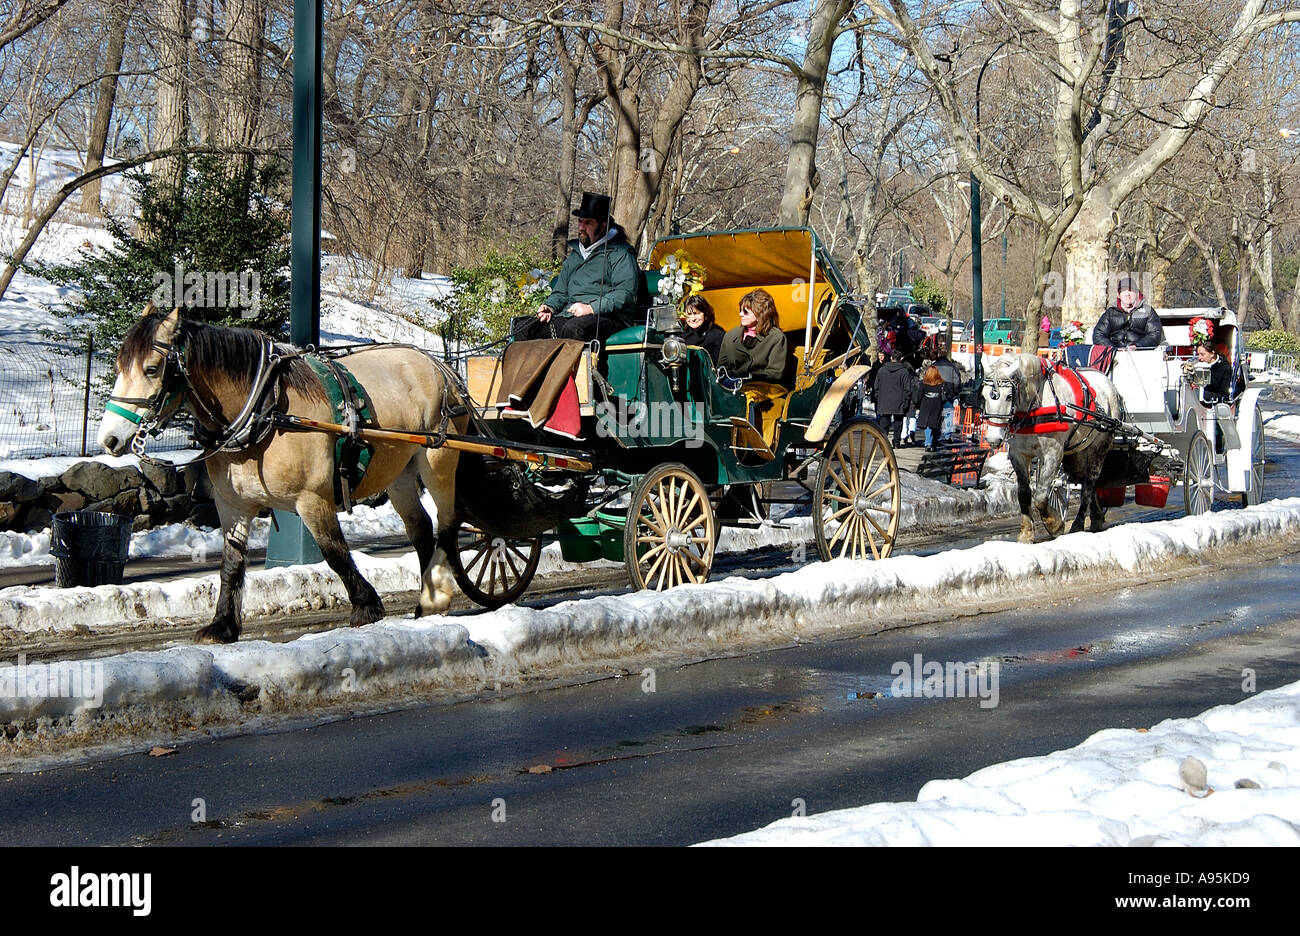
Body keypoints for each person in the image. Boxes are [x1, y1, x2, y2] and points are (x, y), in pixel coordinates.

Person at [513, 192, 641, 345]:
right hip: (571, 318)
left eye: (588, 223)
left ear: (603, 226)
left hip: (609, 319)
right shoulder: (575, 256)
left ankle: (571, 370)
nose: (581, 227)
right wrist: (550, 307)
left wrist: (591, 308)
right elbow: (560, 292)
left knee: (573, 329)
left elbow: (625, 294)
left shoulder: (620, 252)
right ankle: (532, 370)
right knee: (523, 328)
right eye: (580, 222)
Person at [719, 289, 786, 383]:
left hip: (761, 387)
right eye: (740, 310)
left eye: (745, 312)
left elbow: (774, 373)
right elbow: (721, 368)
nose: (740, 314)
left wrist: (746, 379)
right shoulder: (731, 335)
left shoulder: (776, 337)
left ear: (760, 313)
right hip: (731, 386)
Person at [1093, 276, 1162, 349]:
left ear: (1137, 293)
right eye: (1123, 291)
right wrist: (1112, 348)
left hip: (1140, 353)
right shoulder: (1110, 312)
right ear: (1118, 295)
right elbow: (1098, 335)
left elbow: (1155, 334)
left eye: (1130, 290)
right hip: (1114, 353)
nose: (1127, 294)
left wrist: (1137, 346)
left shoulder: (1148, 311)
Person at [871, 351, 916, 447]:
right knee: (898, 422)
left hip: (884, 400)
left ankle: (883, 441)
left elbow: (876, 386)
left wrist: (878, 397)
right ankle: (896, 442)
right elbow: (907, 388)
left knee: (884, 422)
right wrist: (906, 400)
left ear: (891, 358)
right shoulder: (904, 372)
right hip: (899, 400)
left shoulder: (882, 370)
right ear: (900, 359)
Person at [680, 294, 724, 365]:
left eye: (696, 313)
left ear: (705, 313)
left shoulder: (717, 335)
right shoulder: (681, 336)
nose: (693, 318)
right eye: (689, 314)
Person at [916, 365, 947, 451]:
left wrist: (918, 404)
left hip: (926, 404)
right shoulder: (941, 384)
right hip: (937, 404)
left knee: (927, 424)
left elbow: (919, 396)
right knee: (935, 423)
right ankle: (934, 440)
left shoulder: (923, 384)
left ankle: (928, 443)